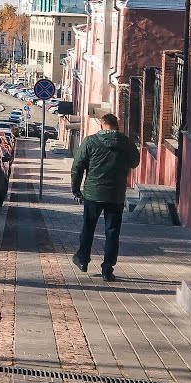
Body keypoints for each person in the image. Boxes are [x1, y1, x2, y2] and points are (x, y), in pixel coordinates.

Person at [70, 113, 139, 282]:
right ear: (117, 125)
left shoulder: (90, 142)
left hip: (93, 193)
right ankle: (108, 269)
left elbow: (77, 166)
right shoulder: (126, 143)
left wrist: (76, 189)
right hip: (116, 195)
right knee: (112, 233)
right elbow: (135, 162)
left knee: (88, 227)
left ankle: (83, 260)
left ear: (102, 125)